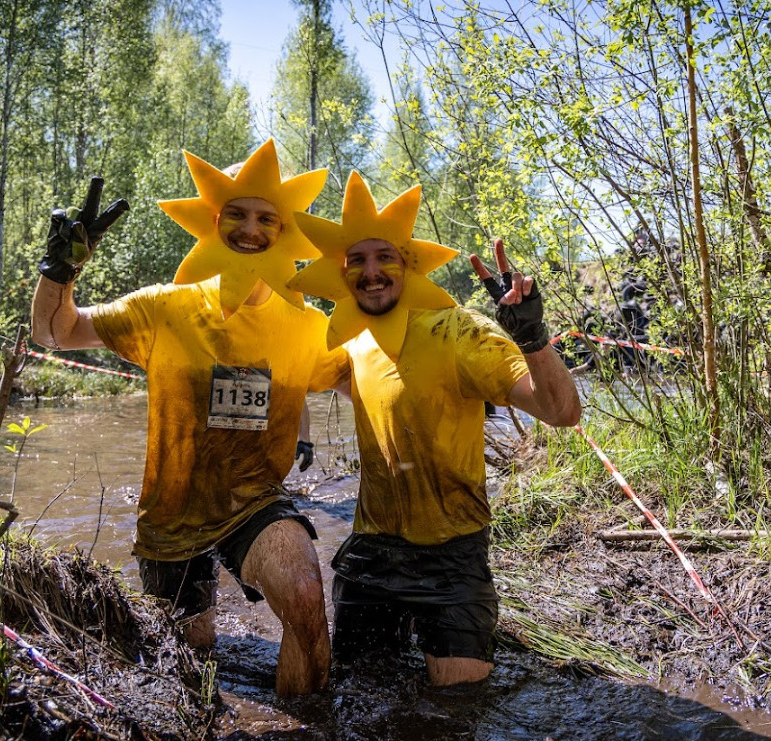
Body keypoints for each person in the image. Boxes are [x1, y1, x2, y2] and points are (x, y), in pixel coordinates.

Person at [29, 140, 344, 696]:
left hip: (255, 499)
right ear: (211, 222)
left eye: (266, 218)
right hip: (172, 517)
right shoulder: (162, 307)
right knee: (191, 663)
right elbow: (56, 332)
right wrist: (61, 269)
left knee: (303, 596)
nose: (251, 230)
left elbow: (370, 373)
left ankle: (308, 725)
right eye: (237, 215)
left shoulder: (308, 322)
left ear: (285, 230)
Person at [286, 172, 581, 686]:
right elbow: (273, 373)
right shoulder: (349, 343)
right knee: (354, 695)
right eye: (358, 260)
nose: (371, 272)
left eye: (385, 258)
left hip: (452, 555)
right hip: (373, 551)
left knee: (458, 707)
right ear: (342, 272)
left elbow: (561, 412)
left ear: (410, 264)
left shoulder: (458, 331)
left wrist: (533, 337)